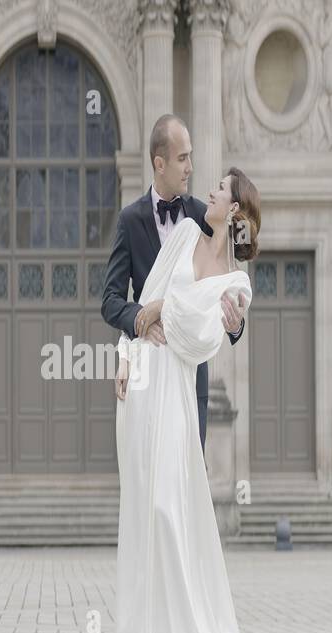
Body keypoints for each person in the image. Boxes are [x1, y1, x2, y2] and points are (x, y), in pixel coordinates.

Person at [109, 158, 274, 633]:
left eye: (219, 188)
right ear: (161, 160)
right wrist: (129, 344)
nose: (205, 186)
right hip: (144, 385)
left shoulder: (236, 281)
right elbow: (138, 303)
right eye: (184, 160)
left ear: (232, 207)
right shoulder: (179, 232)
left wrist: (170, 314)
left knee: (172, 510)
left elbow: (205, 339)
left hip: (181, 393)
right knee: (146, 509)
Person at [101, 113, 247, 453]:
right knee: (151, 487)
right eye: (183, 158)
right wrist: (141, 321)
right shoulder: (130, 220)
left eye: (191, 156)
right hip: (147, 376)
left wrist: (235, 326)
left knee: (185, 486)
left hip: (189, 379)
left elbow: (222, 289)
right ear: (159, 163)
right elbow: (110, 300)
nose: (190, 167)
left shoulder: (203, 216)